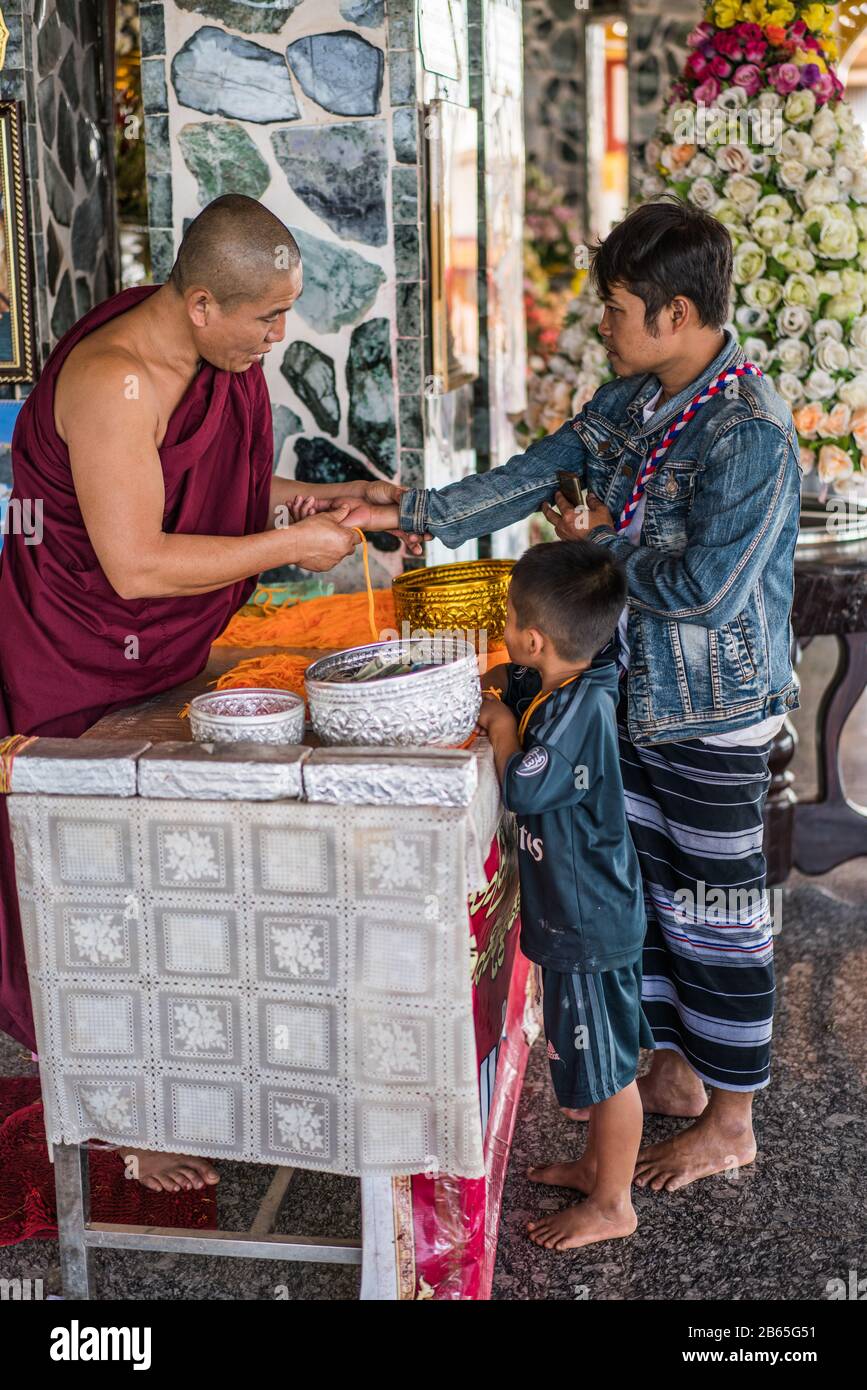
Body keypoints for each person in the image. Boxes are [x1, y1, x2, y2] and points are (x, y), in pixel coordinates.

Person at [353, 198, 802, 1191]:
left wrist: (598, 542)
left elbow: (701, 589)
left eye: (616, 307)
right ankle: (679, 1078)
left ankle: (734, 1122)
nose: (602, 322)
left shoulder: (749, 435)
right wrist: (411, 511)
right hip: (630, 699)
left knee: (719, 916)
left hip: (714, 718)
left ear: (676, 314)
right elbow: (534, 476)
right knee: (650, 909)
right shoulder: (633, 400)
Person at [0, 193, 418, 1193]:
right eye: (266, 320)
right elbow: (137, 560)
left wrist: (306, 503)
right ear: (197, 303)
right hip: (78, 656)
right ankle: (121, 1113)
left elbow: (194, 493)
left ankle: (192, 1063)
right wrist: (287, 546)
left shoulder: (205, 356)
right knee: (86, 889)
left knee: (169, 876)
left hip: (164, 653)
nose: (280, 337)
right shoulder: (116, 382)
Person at [478, 541, 648, 1251]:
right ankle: (594, 1169)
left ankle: (614, 1203)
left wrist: (497, 727)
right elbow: (529, 696)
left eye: (507, 620)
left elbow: (525, 783)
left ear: (533, 638)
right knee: (595, 1055)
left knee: (608, 1072)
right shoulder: (575, 678)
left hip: (589, 922)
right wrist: (505, 688)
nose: (504, 628)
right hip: (581, 913)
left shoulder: (579, 710)